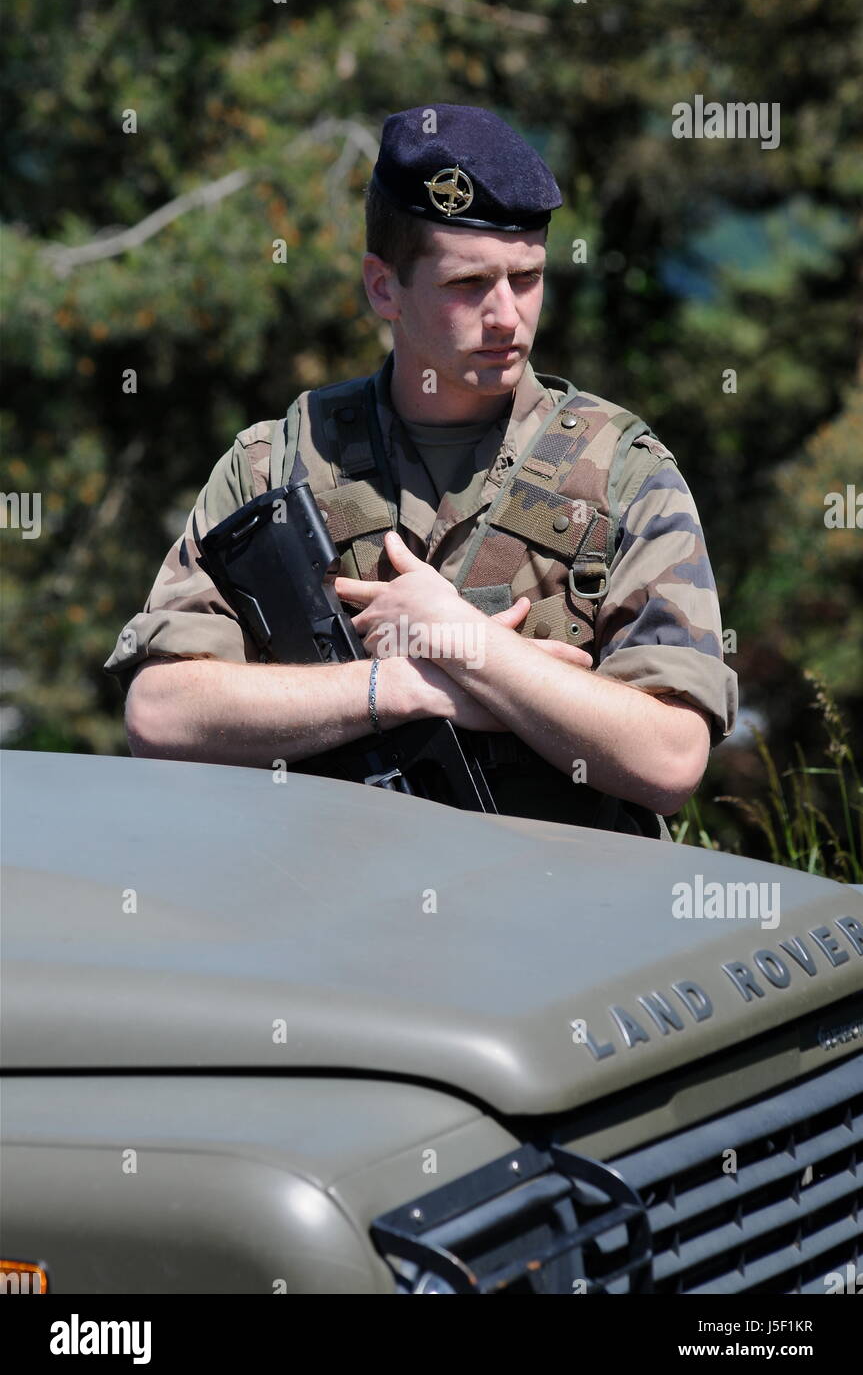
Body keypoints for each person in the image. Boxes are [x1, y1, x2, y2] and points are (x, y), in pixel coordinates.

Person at [105, 103, 737, 838]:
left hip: (565, 927)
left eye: (526, 279)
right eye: (468, 285)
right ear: (384, 288)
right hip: (326, 916)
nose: (506, 316)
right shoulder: (274, 463)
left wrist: (465, 644)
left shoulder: (622, 472)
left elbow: (668, 760)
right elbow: (160, 713)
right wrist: (398, 686)